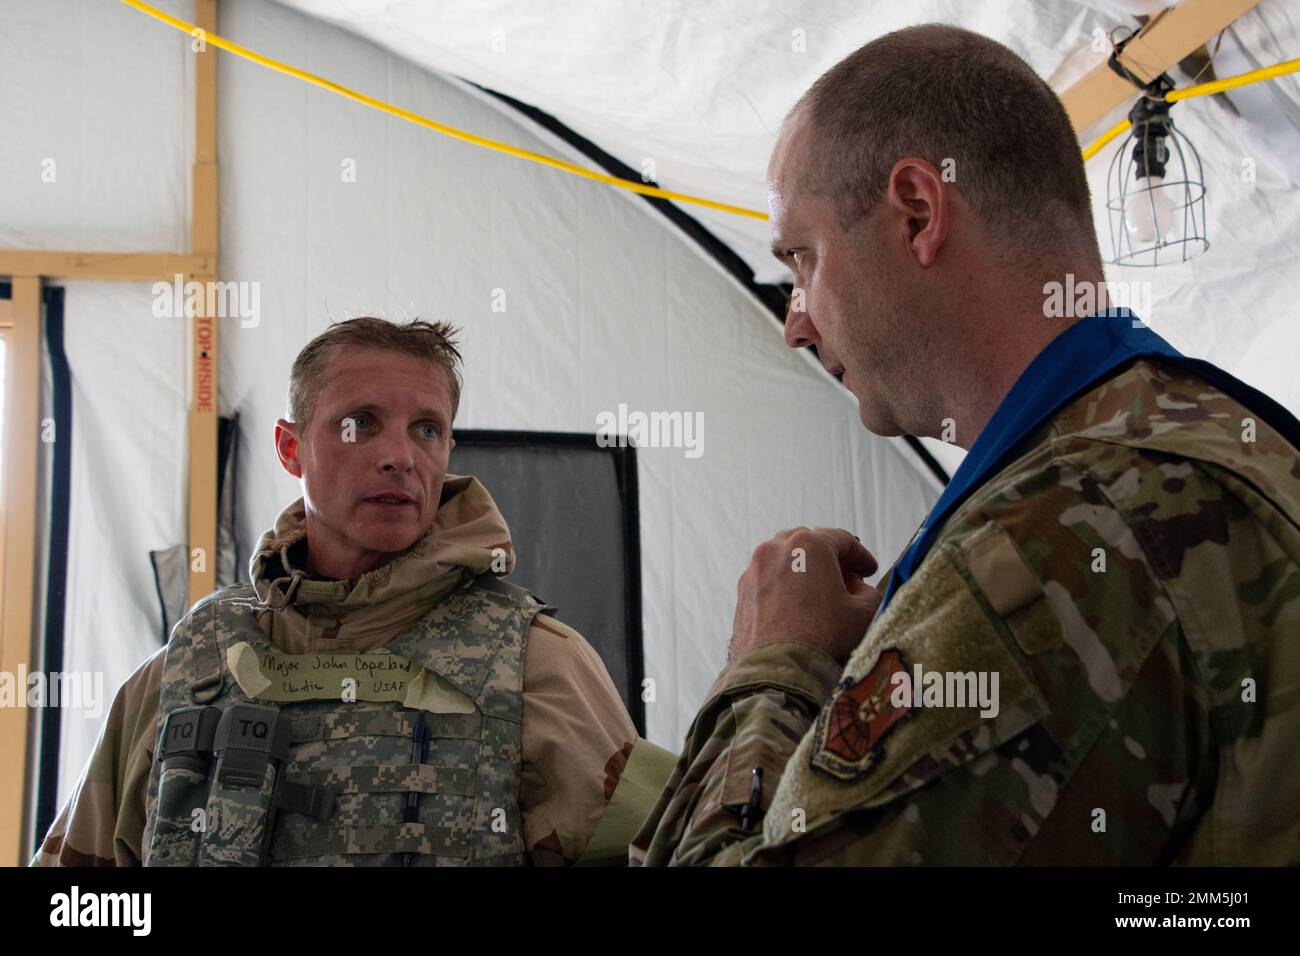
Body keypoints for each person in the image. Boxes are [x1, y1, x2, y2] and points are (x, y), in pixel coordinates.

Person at [633, 23, 1300, 866]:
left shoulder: (1062, 538)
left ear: (918, 211)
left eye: (802, 259)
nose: (795, 323)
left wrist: (775, 662)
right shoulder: (1205, 437)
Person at [33, 316, 675, 867]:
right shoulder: (186, 668)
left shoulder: (536, 665)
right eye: (360, 424)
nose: (399, 455)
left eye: (427, 429)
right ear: (291, 448)